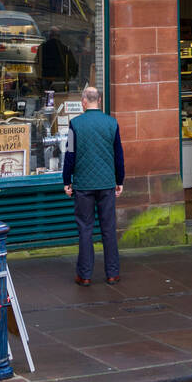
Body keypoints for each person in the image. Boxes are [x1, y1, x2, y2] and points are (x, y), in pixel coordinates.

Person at [63, 86, 124, 286]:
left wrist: (66, 180)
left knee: (85, 229)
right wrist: (119, 180)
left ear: (83, 101)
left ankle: (85, 275)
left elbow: (69, 154)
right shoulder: (112, 123)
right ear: (99, 101)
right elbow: (119, 156)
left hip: (84, 185)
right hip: (106, 184)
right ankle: (112, 273)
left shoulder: (75, 124)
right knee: (108, 228)